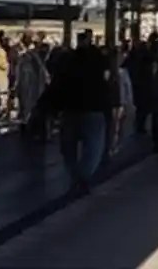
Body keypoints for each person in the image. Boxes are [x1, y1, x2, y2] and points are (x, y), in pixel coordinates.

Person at [51, 30, 110, 195]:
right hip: (93, 108)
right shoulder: (98, 58)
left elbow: (57, 84)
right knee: (94, 147)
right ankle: (83, 176)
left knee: (68, 148)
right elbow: (106, 82)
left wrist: (52, 107)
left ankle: (75, 176)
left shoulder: (68, 59)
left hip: (70, 108)